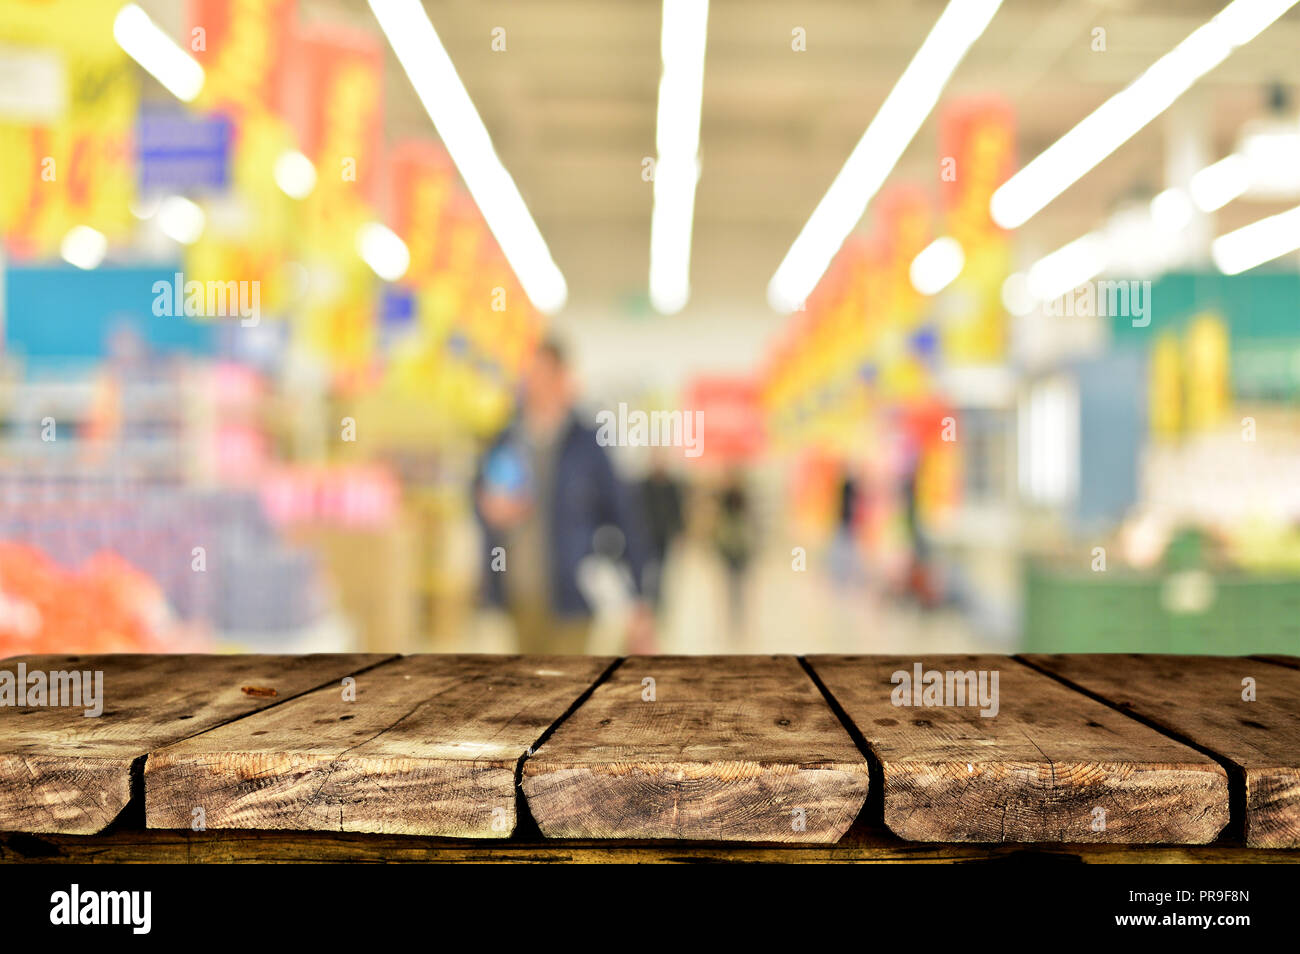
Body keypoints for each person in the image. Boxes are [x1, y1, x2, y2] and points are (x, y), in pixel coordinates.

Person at [476, 338, 654, 654]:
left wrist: (639, 596)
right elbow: (478, 496)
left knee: (564, 688)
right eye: (530, 375)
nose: (535, 384)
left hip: (574, 597)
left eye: (544, 375)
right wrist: (489, 507)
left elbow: (625, 515)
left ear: (562, 378)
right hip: (520, 592)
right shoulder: (505, 439)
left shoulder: (588, 444)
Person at [638, 453, 684, 611]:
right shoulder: (644, 486)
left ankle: (658, 603)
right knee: (650, 570)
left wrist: (678, 533)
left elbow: (676, 511)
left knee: (662, 571)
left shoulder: (670, 486)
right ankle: (648, 602)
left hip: (664, 536)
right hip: (647, 537)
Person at [713, 468, 754, 640]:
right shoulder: (722, 495)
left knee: (739, 582)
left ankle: (740, 616)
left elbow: (748, 519)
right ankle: (732, 616)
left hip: (740, 544)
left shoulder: (743, 495)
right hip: (729, 544)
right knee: (730, 582)